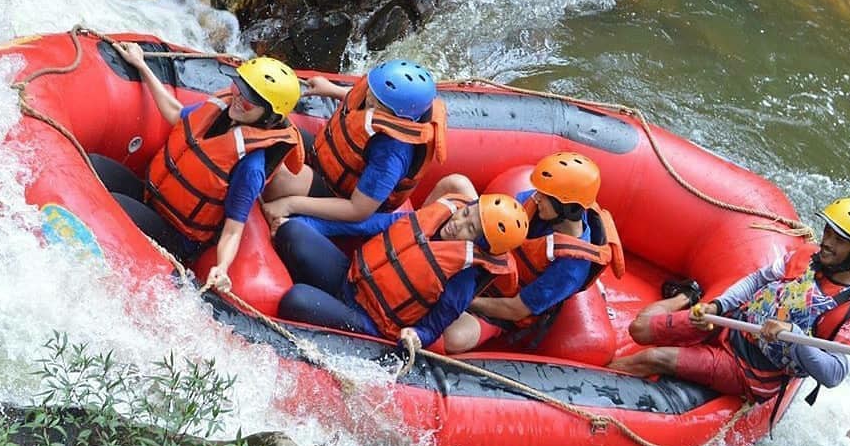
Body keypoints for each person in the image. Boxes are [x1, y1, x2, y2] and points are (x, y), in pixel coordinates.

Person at [608, 198, 850, 406]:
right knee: (640, 329)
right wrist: (717, 306)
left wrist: (795, 336)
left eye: (839, 240)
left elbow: (833, 374)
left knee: (654, 357)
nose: (827, 242)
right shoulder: (808, 256)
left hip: (754, 369)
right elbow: (756, 281)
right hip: (730, 323)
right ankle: (687, 296)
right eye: (828, 232)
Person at [91, 42, 303, 291]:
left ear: (269, 116)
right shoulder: (220, 111)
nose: (238, 99)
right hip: (153, 194)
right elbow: (175, 114)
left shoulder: (250, 166)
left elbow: (234, 229)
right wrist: (141, 65)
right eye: (239, 87)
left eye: (248, 102)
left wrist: (222, 268)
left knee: (114, 203)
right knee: (93, 164)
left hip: (176, 234)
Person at [275, 193, 529, 353]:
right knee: (293, 232)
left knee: (296, 299)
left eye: (470, 228)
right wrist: (309, 223)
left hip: (370, 321)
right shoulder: (439, 215)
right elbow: (378, 224)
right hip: (351, 278)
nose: (457, 224)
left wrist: (417, 335)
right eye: (465, 214)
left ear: (480, 246)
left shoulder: (464, 277)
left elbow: (435, 325)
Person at [437, 153, 624, 352]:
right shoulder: (538, 205)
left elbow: (515, 310)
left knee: (454, 338)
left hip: (496, 306)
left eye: (545, 196)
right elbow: (494, 228)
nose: (536, 197)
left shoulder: (570, 267)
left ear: (567, 209)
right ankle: (415, 233)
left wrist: (464, 300)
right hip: (483, 261)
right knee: (456, 183)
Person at [262, 59, 447, 228]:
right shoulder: (377, 103)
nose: (368, 100)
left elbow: (358, 210)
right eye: (370, 93)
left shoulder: (391, 155)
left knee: (279, 179)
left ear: (399, 118)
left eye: (377, 103)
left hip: (342, 195)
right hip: (327, 160)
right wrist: (332, 89)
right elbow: (364, 105)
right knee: (272, 128)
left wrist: (289, 204)